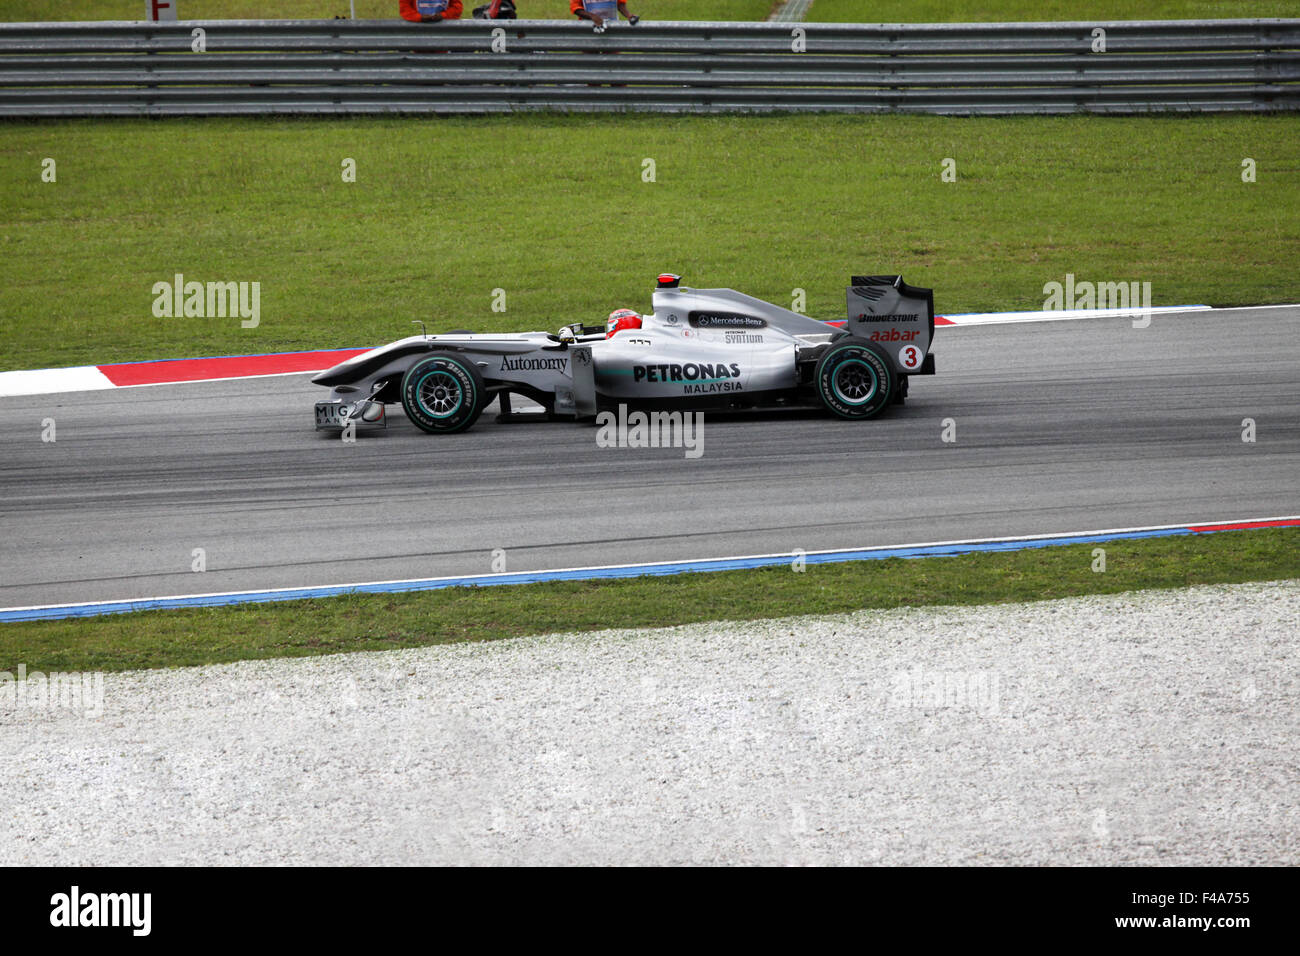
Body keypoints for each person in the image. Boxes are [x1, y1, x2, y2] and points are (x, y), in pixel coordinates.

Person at [571, 0, 638, 31]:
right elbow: (576, 8)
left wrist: (628, 15)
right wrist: (592, 16)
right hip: (589, 29)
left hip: (611, 27)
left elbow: (620, 4)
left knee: (613, 54)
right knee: (589, 55)